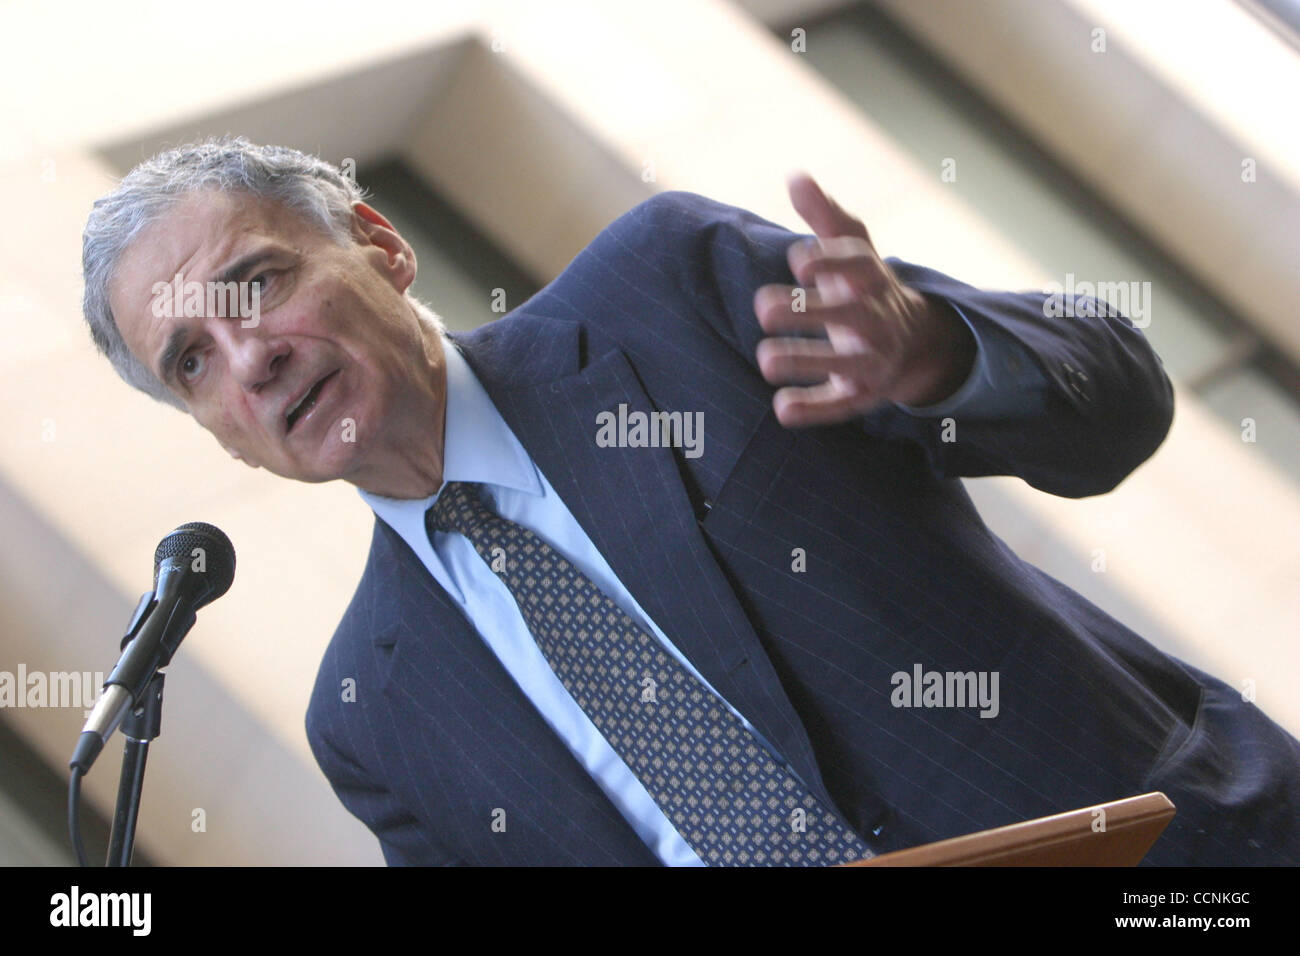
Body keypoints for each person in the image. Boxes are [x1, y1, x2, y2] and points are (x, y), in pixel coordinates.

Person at [83, 138, 1300, 865]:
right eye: (191, 360)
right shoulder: (374, 716)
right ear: (209, 426)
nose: (249, 360)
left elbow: (1117, 398)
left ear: (381, 246)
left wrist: (938, 356)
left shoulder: (664, 292)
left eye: (259, 283)